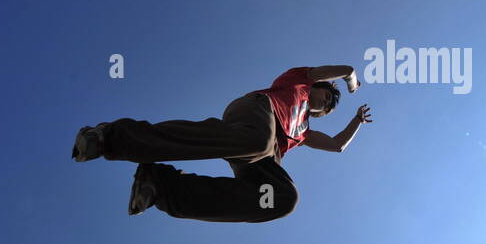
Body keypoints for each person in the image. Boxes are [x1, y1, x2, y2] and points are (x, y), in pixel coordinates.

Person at [71, 65, 372, 222]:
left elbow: (336, 145)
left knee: (281, 198)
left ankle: (160, 186)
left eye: (329, 109)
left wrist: (356, 122)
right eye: (327, 98)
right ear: (318, 87)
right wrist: (349, 77)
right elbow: (341, 69)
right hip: (257, 112)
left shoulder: (304, 131)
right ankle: (108, 136)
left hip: (262, 156)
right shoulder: (297, 82)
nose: (325, 106)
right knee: (257, 139)